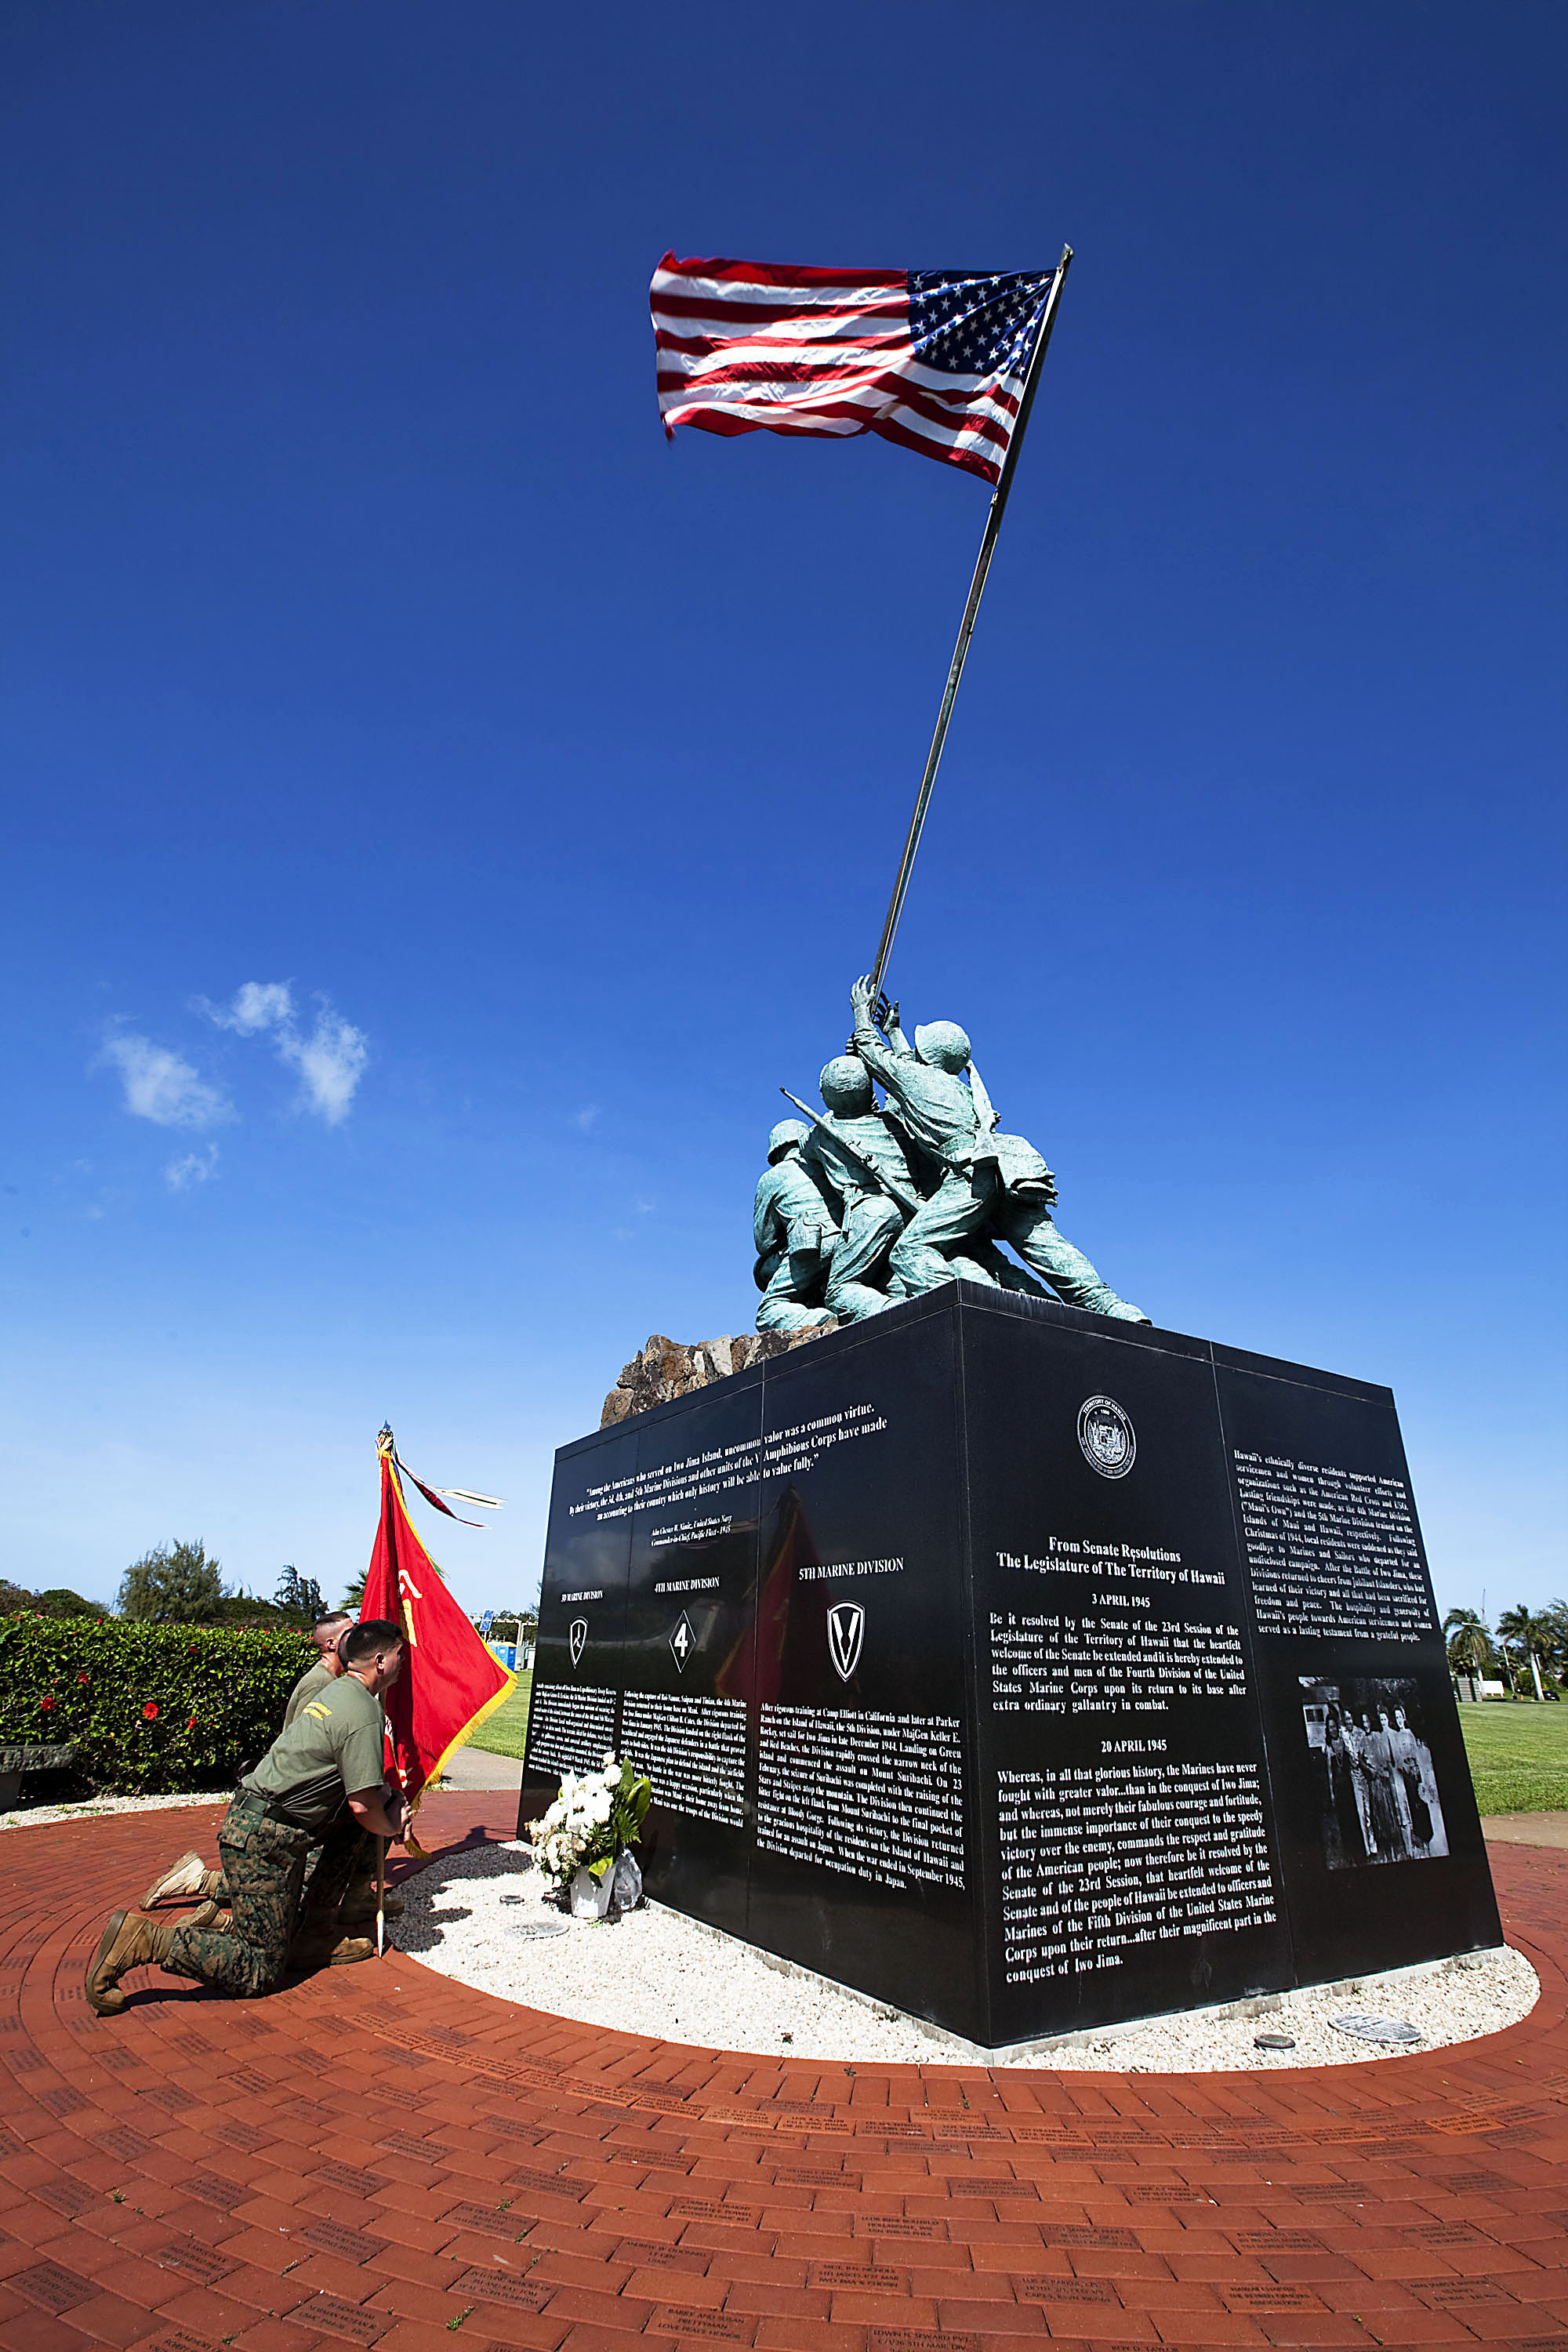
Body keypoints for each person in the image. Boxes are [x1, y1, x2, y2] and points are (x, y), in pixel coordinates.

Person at [86, 1620, 411, 2014]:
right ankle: (146, 1940)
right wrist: (394, 1826)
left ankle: (312, 1937)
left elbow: (357, 1791)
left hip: (269, 1827)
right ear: (380, 1661)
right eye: (400, 1654)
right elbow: (363, 1806)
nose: (404, 1661)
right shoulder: (362, 1711)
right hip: (264, 1839)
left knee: (356, 1827)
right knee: (259, 1969)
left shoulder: (342, 1691)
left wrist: (389, 1799)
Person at [848, 977, 1148, 1319]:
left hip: (969, 1177)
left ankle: (973, 1315)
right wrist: (894, 1032)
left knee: (910, 1251)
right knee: (1047, 1247)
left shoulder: (918, 1080)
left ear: (926, 1055)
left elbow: (874, 1055)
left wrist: (861, 1013)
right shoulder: (961, 1088)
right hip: (1004, 1170)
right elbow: (906, 1067)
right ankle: (1114, 1308)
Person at [139, 1607, 358, 1911]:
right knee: (292, 1881)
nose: (358, 1636)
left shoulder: (330, 1680)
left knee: (294, 1878)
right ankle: (199, 1881)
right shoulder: (319, 1683)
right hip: (295, 1797)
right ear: (332, 1644)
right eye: (351, 1631)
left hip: (301, 1796)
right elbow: (306, 1743)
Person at [801, 1057, 920, 1321]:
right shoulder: (894, 1124)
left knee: (839, 1290)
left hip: (871, 1211)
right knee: (895, 1277)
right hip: (914, 1207)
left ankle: (895, 1313)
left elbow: (805, 1147)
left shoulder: (820, 1135)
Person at [753, 1120, 840, 1333]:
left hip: (812, 1246)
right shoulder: (829, 1163)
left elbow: (764, 1242)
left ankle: (822, 1318)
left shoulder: (772, 1177)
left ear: (776, 1151)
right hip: (851, 1238)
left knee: (768, 1311)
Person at [1390, 1704, 1435, 1855]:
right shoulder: (1396, 1736)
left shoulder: (1410, 1734)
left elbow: (1417, 1753)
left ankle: (1428, 1835)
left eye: (1400, 1717)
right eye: (1396, 1717)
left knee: (1422, 1802)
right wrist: (1406, 1768)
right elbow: (1397, 1758)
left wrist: (1418, 1772)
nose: (1399, 1720)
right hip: (1407, 1774)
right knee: (1413, 1804)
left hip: (1416, 1772)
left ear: (1404, 1718)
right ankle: (1419, 1837)